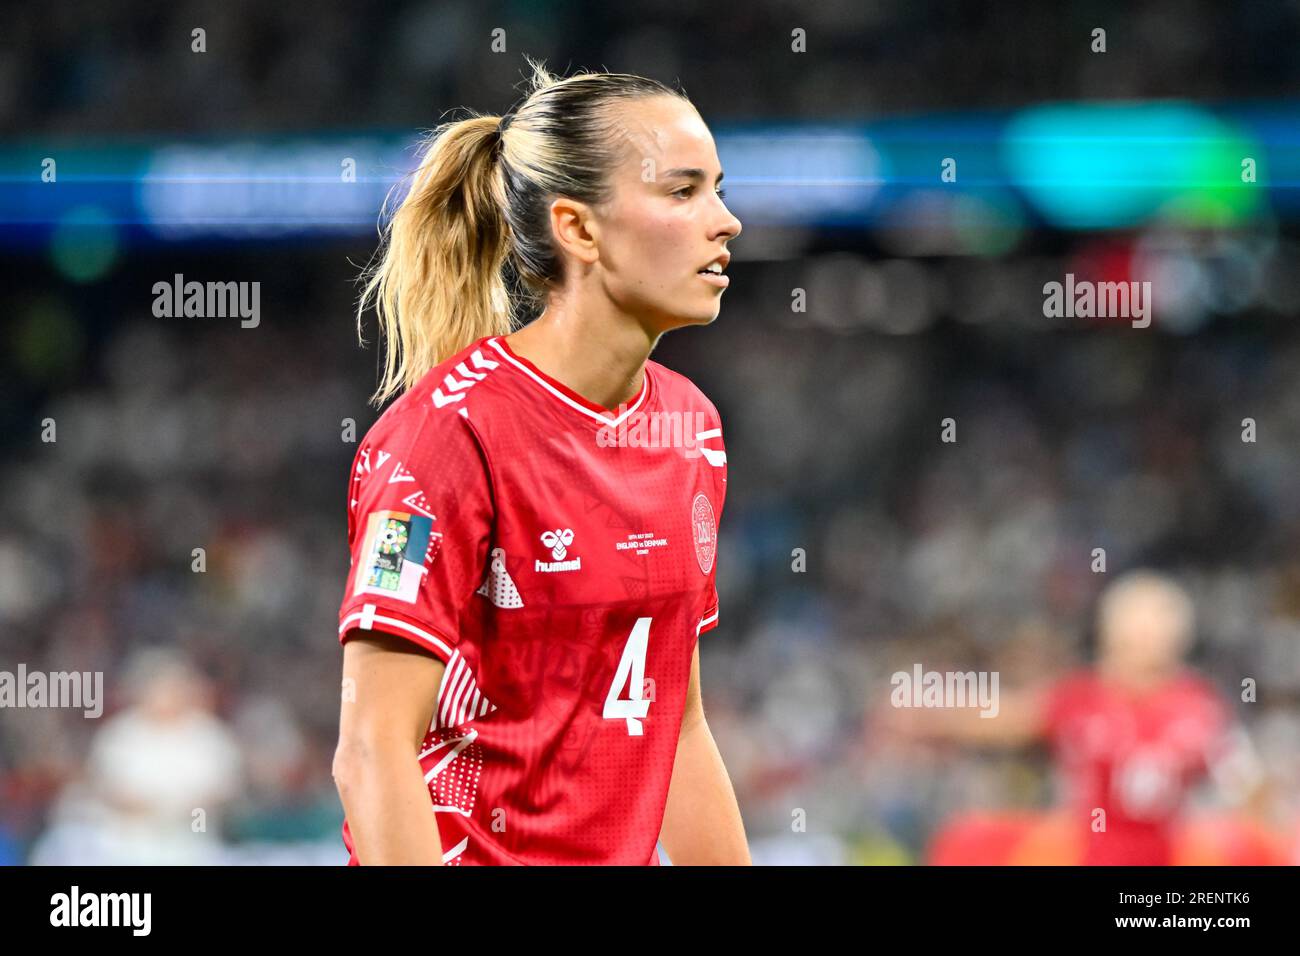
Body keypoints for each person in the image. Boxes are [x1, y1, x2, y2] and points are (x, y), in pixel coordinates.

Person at [332, 58, 750, 865]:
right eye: (682, 190)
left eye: (719, 188)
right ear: (579, 228)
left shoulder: (690, 427)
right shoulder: (442, 441)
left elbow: (679, 730)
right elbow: (371, 751)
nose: (725, 220)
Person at [887, 571, 1270, 865]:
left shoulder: (1198, 707)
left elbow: (1246, 784)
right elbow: (1009, 718)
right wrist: (930, 713)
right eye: (1129, 640)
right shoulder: (1081, 699)